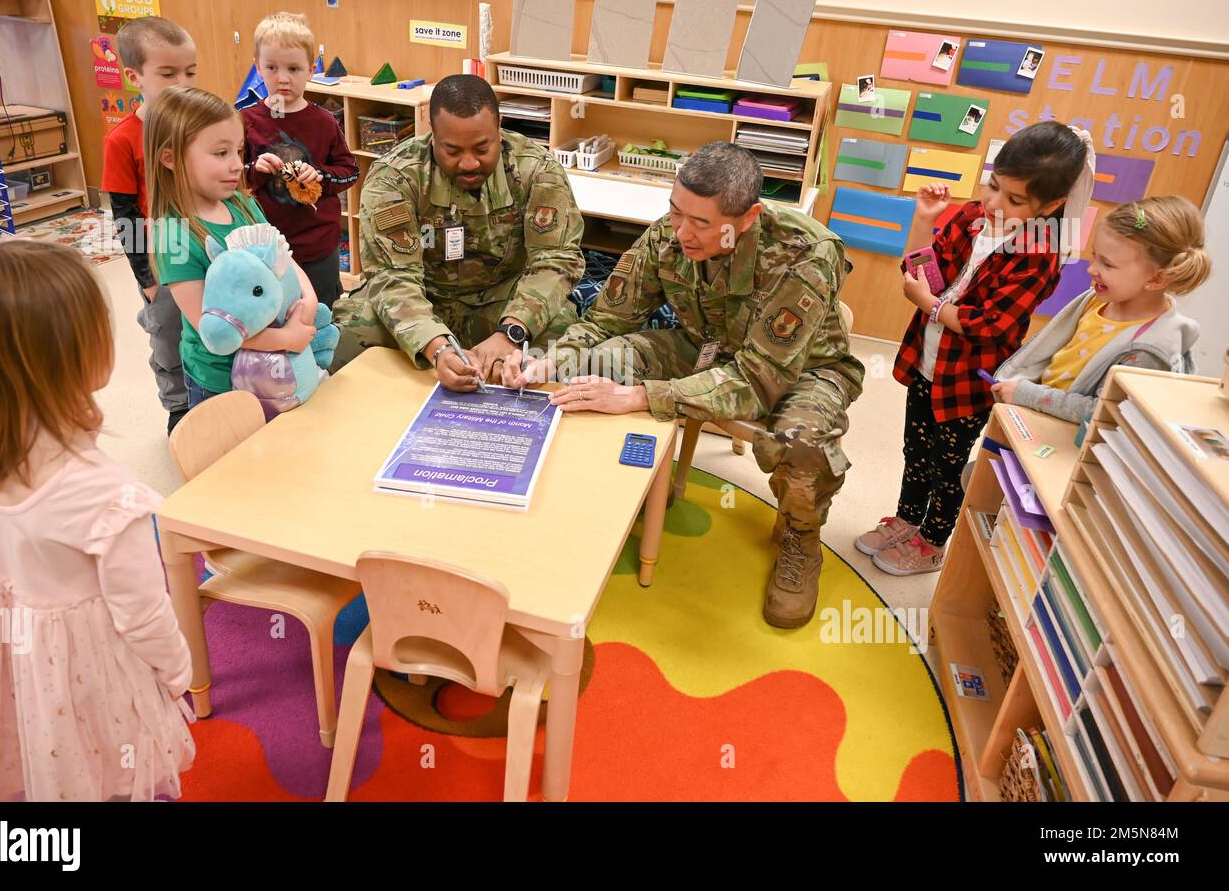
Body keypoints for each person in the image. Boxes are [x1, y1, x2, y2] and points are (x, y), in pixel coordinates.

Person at [503, 141, 864, 629]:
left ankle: (801, 534)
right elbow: (606, 320)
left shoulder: (805, 255)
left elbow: (757, 380)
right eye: (676, 212)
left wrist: (640, 397)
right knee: (600, 364)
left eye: (700, 223)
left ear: (748, 217)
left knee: (798, 443)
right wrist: (551, 361)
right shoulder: (667, 236)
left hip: (803, 369)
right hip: (708, 347)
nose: (682, 232)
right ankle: (610, 489)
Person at [0, 240, 195, 801]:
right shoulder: (107, 495)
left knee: (40, 756)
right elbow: (144, 614)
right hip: (88, 674)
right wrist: (176, 675)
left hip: (7, 656)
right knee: (110, 771)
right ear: (67, 354)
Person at [856, 121, 1093, 576]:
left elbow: (988, 325)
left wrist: (928, 304)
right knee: (915, 449)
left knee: (948, 468)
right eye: (994, 187)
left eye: (1015, 199)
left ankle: (931, 542)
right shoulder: (970, 217)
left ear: (1052, 205)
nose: (996, 203)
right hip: (927, 362)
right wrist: (924, 220)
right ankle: (907, 520)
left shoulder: (1038, 255)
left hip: (967, 381)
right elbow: (924, 268)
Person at [330, 74, 585, 390]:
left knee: (565, 341)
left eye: (482, 147)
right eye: (452, 150)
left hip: (505, 302)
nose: (468, 163)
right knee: (349, 335)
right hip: (425, 297)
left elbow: (555, 263)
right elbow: (392, 277)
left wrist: (512, 332)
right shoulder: (394, 178)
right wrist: (435, 346)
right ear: (432, 133)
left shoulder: (537, 170)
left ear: (499, 127)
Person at [147, 86, 318, 410]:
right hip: (220, 382)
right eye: (220, 153)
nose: (238, 165)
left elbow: (283, 259)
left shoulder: (242, 204)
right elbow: (213, 329)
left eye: (239, 151)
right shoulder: (174, 237)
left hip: (276, 366)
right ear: (169, 157)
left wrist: (308, 303)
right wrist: (287, 339)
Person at [992, 196, 1210, 422]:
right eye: (1094, 256)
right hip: (1034, 417)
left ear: (1156, 279)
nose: (1092, 269)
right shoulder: (1098, 300)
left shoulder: (1148, 351)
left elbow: (1105, 412)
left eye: (1107, 264)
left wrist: (1028, 394)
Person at [102, 16, 198, 433]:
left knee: (208, 324)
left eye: (190, 72)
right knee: (167, 332)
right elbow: (125, 215)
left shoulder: (196, 125)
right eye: (168, 73)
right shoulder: (122, 139)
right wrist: (146, 276)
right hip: (164, 249)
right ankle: (179, 406)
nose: (182, 82)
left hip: (203, 239)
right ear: (133, 76)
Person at [241, 11, 359, 307]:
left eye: (294, 68)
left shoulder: (324, 122)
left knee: (320, 318)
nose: (283, 79)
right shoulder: (245, 121)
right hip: (266, 247)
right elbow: (232, 176)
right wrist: (255, 169)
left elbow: (349, 171)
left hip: (317, 247)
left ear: (311, 69)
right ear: (258, 67)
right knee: (272, 315)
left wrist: (320, 174)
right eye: (271, 67)